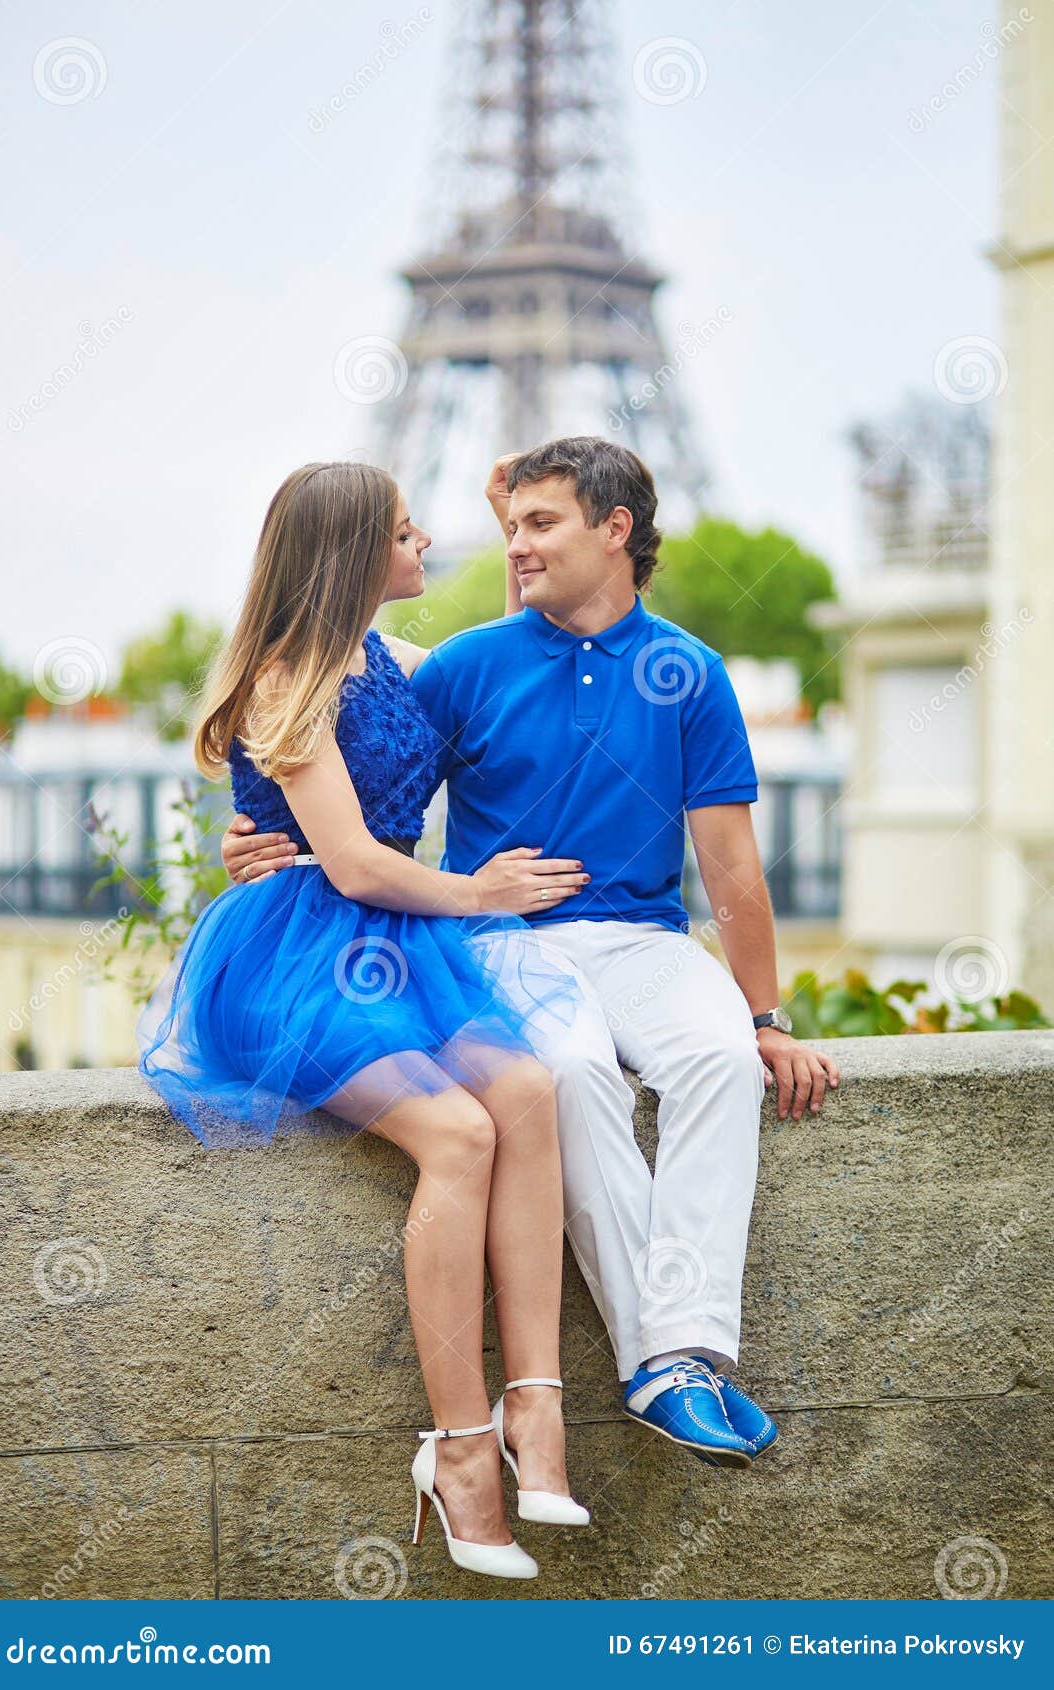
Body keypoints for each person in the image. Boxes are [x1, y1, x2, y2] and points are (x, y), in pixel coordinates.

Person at [224, 436, 841, 1471]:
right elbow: (352, 758)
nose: (513, 545)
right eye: (510, 526)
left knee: (720, 1061)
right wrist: (261, 839)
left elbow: (730, 864)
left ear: (616, 530)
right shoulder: (462, 666)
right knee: (570, 1074)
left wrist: (764, 1019)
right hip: (499, 936)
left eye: (539, 524)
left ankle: (676, 1350)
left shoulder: (689, 672)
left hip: (645, 938)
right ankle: (669, 1365)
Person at [137, 461, 592, 1580]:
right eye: (402, 531)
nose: (422, 542)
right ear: (349, 553)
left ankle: (537, 1406)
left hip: (397, 942)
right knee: (459, 1133)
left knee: (528, 1090)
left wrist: (510, 524)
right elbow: (347, 861)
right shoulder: (284, 679)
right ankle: (459, 1448)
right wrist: (480, 893)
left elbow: (504, 657)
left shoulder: (391, 659)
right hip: (300, 952)